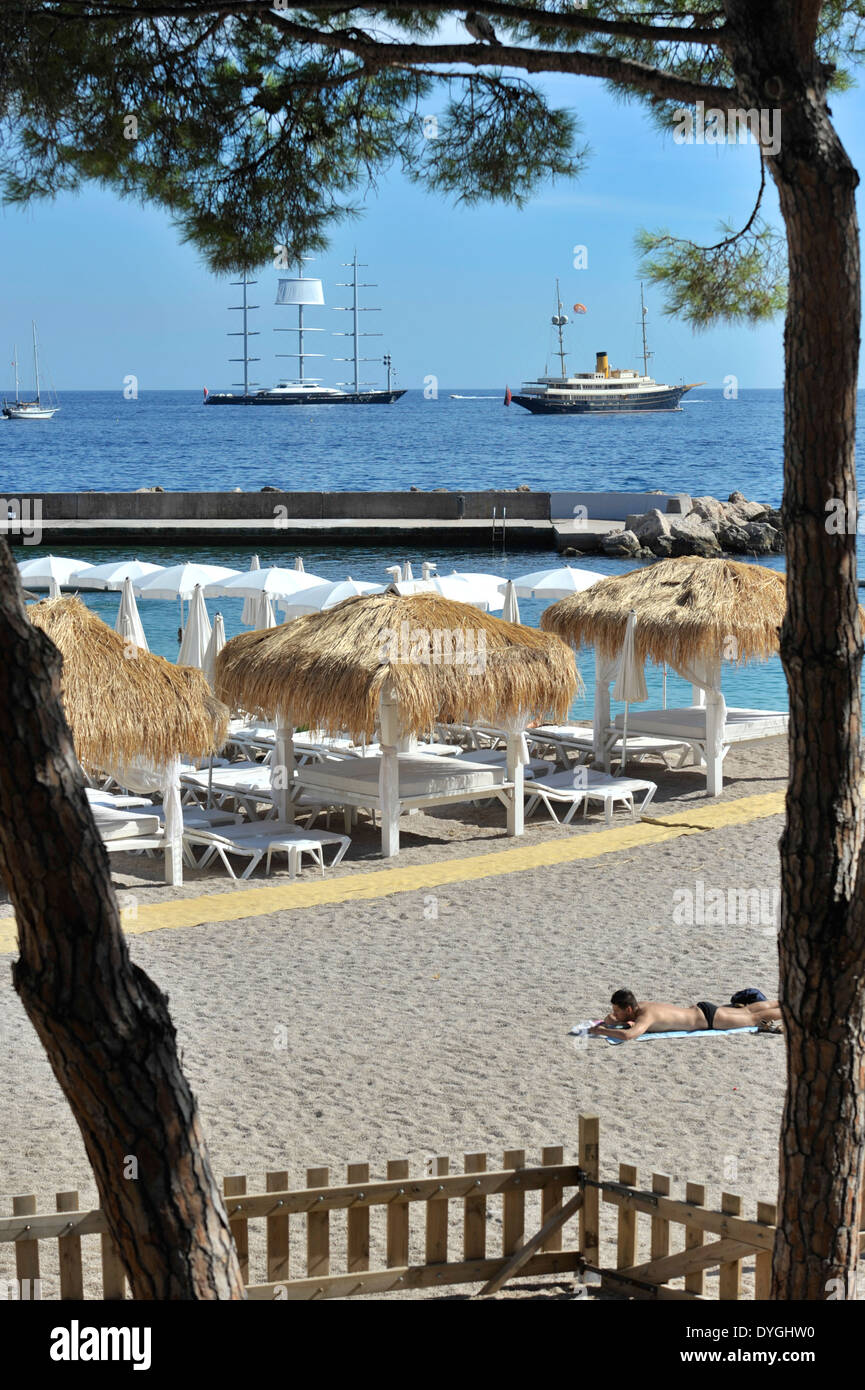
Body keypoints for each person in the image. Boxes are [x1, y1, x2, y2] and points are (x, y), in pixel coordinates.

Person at [587, 988, 782, 1041]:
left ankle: (792, 1011)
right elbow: (612, 1019)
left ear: (628, 1009)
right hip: (703, 1009)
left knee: (754, 1018)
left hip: (709, 1019)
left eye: (616, 1010)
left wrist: (604, 1031)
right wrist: (610, 1020)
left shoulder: (645, 1018)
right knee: (749, 1010)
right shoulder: (643, 1007)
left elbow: (629, 1035)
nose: (613, 1014)